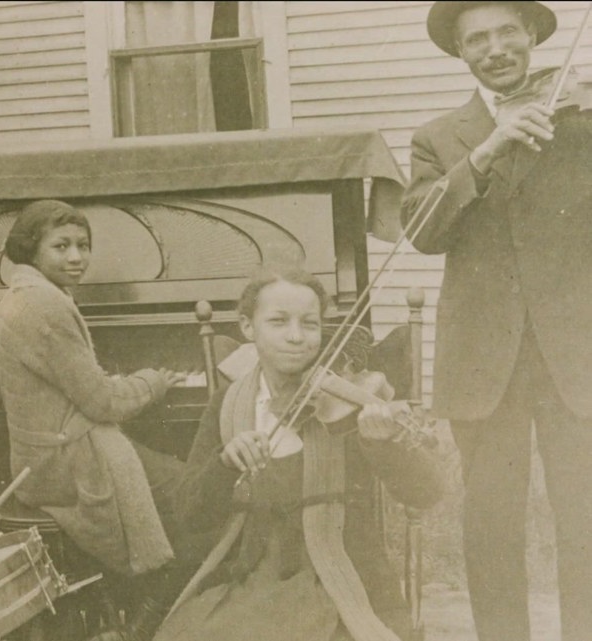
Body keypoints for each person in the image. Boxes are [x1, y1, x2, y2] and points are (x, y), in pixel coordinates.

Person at [403, 3, 592, 640]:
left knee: (587, 524)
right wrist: (486, 150)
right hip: (484, 362)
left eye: (507, 31)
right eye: (476, 39)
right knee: (490, 527)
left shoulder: (583, 114)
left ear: (533, 36)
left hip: (576, 352)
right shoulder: (439, 138)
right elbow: (421, 231)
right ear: (461, 53)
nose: (495, 48)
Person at [155, 267, 443, 641]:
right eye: (278, 322)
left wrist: (382, 445)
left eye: (310, 324)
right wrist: (224, 463)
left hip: (341, 579)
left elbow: (427, 493)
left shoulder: (344, 401)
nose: (296, 337)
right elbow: (189, 514)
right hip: (249, 580)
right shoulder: (228, 403)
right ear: (247, 327)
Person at [0, 199, 189, 641]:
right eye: (61, 246)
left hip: (34, 463)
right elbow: (105, 404)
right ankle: (148, 612)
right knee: (188, 487)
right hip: (69, 466)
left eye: (83, 245)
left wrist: (37, 392)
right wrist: (151, 381)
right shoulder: (47, 305)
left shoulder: (8, 303)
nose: (75, 257)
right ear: (31, 251)